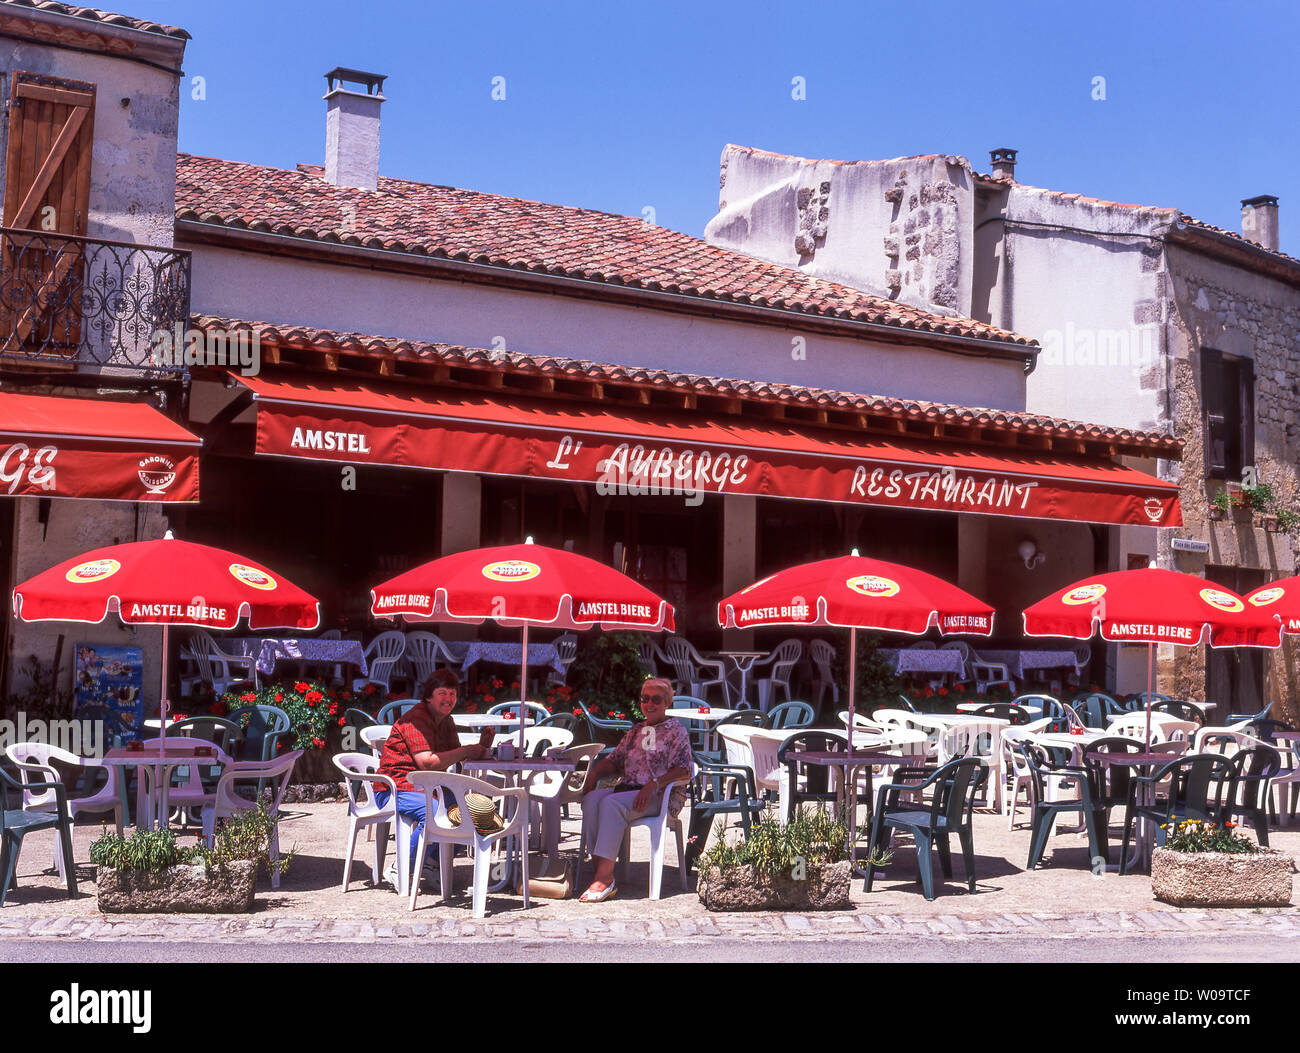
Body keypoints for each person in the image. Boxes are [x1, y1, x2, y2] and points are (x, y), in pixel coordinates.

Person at [374, 667, 493, 887]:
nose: (448, 699)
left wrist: (482, 747)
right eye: (443, 693)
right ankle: (400, 868)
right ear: (429, 696)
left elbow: (454, 756)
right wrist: (467, 749)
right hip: (396, 787)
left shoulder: (446, 720)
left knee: (467, 813)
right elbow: (427, 762)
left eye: (452, 694)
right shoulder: (416, 719)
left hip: (427, 788)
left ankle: (429, 862)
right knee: (431, 814)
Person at [578, 677, 693, 902]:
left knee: (611, 805)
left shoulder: (676, 731)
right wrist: (594, 774)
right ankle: (601, 867)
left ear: (667, 702)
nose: (649, 704)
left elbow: (684, 770)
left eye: (656, 699)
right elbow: (614, 760)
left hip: (661, 796)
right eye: (645, 698)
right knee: (592, 800)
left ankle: (604, 878)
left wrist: (654, 784)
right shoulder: (636, 730)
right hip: (630, 790)